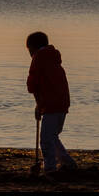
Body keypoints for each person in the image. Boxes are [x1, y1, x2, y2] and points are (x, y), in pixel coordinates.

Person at [26, 31, 75, 174]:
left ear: (32, 47)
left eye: (29, 49)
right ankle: (68, 163)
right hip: (62, 102)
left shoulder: (38, 58)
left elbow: (33, 84)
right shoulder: (52, 57)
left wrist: (39, 105)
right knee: (52, 136)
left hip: (52, 103)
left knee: (46, 139)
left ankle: (50, 168)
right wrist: (39, 105)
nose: (29, 52)